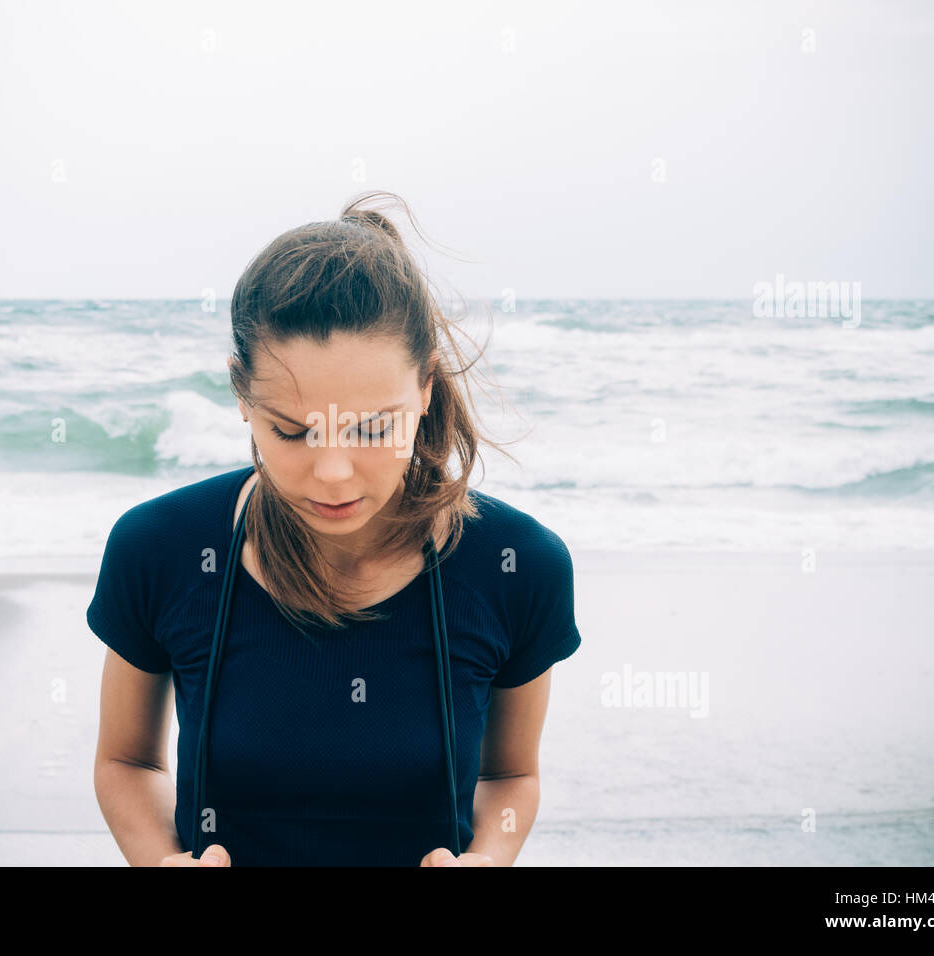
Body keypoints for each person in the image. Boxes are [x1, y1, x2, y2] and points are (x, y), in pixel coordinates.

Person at [88, 191, 581, 866]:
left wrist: (488, 859)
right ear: (242, 397)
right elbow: (126, 761)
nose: (334, 476)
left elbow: (509, 777)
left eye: (373, 427)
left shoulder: (519, 566)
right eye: (291, 431)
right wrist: (161, 860)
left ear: (427, 388)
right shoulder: (160, 550)